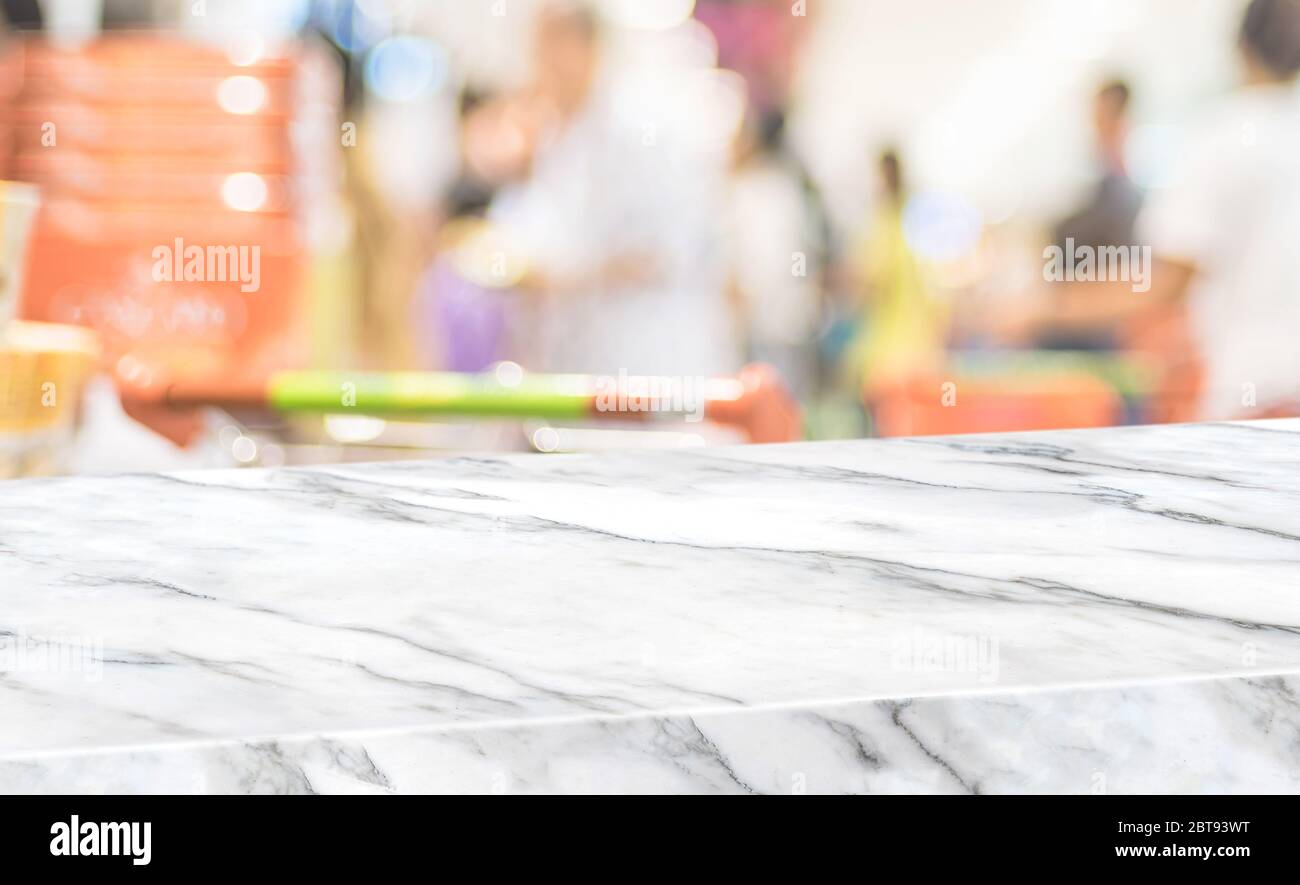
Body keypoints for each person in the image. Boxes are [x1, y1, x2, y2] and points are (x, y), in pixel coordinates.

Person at [1004, 0, 1300, 420]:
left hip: (1261, 397)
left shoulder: (1226, 137)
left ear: (1241, 49)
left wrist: (1045, 308)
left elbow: (1163, 283)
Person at [487, 1, 740, 378]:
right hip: (588, 362)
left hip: (651, 359)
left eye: (546, 46)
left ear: (580, 45)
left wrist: (566, 273)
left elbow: (664, 251)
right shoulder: (561, 133)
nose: (537, 63)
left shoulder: (641, 127)